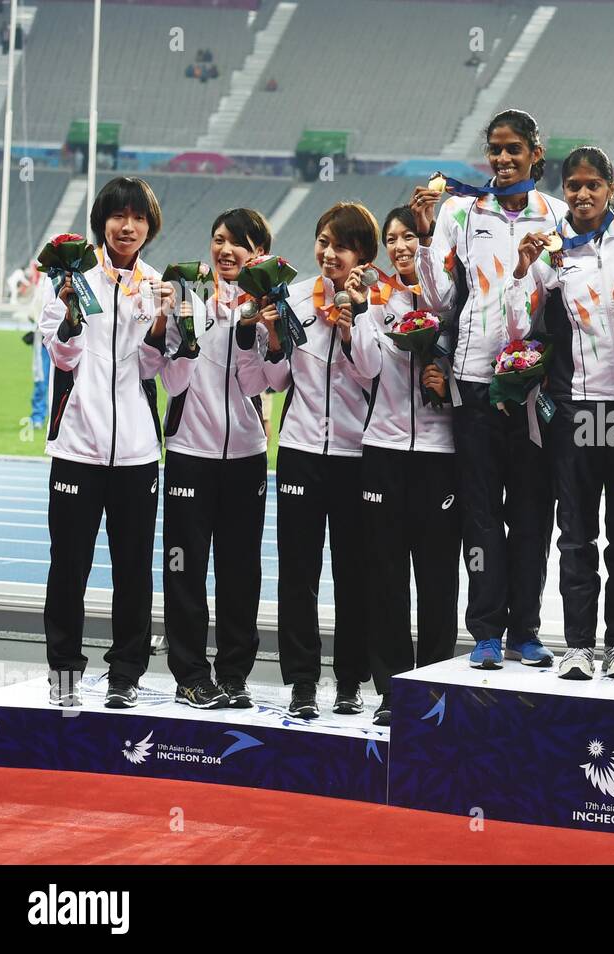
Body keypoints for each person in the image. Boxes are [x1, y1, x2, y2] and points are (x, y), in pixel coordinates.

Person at [410, 108, 567, 670]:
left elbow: (563, 300)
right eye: (495, 149)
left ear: (534, 154)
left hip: (531, 389)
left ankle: (525, 629)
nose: (502, 159)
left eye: (513, 149)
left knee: (531, 514)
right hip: (474, 384)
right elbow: (440, 300)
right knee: (479, 513)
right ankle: (485, 633)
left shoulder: (557, 215)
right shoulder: (460, 211)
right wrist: (425, 237)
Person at [508, 146, 614, 681]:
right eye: (574, 186)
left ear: (612, 187)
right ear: (563, 191)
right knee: (576, 536)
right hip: (574, 409)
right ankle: (578, 646)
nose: (583, 194)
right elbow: (520, 326)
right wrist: (523, 270)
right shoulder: (549, 248)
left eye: (593, 185)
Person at [40, 177, 170, 708]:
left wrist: (162, 321)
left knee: (133, 569)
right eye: (119, 216)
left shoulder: (158, 285)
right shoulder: (70, 278)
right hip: (77, 447)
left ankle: (125, 675)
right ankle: (64, 672)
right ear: (102, 222)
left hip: (137, 452)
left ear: (149, 226)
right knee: (68, 567)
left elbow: (154, 368)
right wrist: (71, 312)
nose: (128, 226)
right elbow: (61, 356)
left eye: (138, 217)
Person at [261, 202, 378, 718]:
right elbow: (277, 380)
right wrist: (272, 339)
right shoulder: (293, 297)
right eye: (324, 242)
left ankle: (350, 680)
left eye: (342, 246)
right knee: (298, 572)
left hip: (356, 455)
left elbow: (372, 374)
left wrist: (354, 325)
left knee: (354, 573)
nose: (330, 254)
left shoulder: (379, 301)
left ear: (364, 256)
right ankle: (302, 681)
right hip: (301, 452)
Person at [157, 208, 277, 710]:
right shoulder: (189, 299)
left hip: (247, 455)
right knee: (184, 568)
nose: (226, 250)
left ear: (258, 253)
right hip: (190, 453)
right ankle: (189, 674)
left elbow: (272, 381)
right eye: (219, 239)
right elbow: (171, 382)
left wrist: (259, 329)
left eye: (238, 243)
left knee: (240, 572)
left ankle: (233, 674)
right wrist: (185, 334)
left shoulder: (268, 307)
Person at [350, 206, 460, 725]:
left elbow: (473, 366)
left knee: (437, 579)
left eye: (410, 237)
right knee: (386, 578)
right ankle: (392, 690)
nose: (399, 246)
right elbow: (366, 367)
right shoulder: (378, 299)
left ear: (428, 242)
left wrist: (446, 381)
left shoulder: (452, 299)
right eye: (391, 239)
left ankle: (433, 686)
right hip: (384, 451)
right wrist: (359, 312)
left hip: (440, 455)